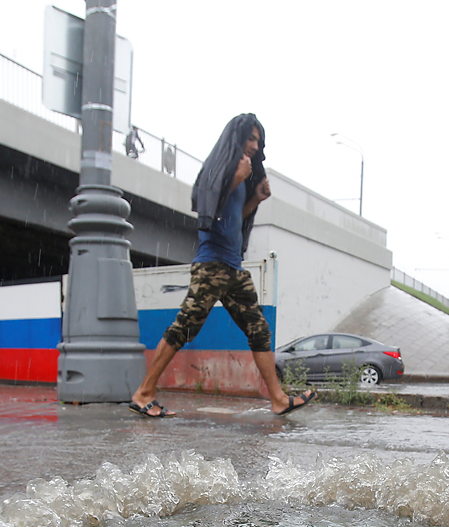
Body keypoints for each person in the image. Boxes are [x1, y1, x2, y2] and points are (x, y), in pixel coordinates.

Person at [128, 113, 315, 418]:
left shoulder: (242, 176)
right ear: (236, 138)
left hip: (233, 268)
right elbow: (207, 209)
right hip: (212, 265)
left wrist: (253, 198)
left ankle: (279, 399)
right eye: (249, 138)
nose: (254, 145)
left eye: (258, 140)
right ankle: (144, 392)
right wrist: (236, 179)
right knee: (183, 329)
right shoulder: (218, 170)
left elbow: (231, 220)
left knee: (259, 330)